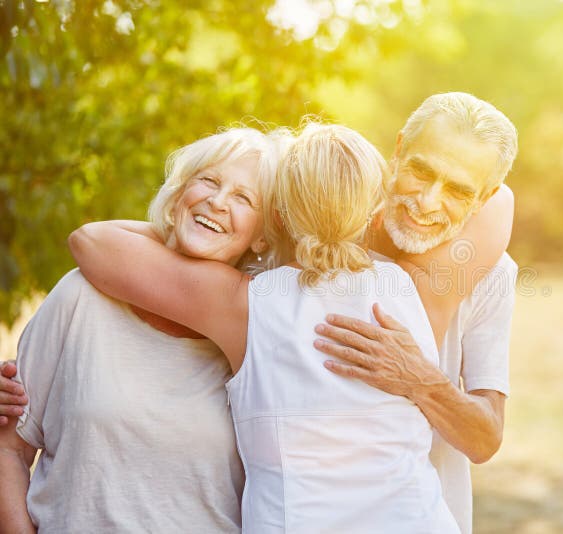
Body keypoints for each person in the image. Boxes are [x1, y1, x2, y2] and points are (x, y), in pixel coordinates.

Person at [64, 121, 510, 532]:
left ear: (276, 217)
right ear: (374, 212)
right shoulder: (414, 288)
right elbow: (501, 199)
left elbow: (93, 242)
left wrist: (183, 220)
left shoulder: (243, 304)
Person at [0, 126, 293, 533]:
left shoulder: (258, 334)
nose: (218, 201)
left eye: (244, 198)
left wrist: (395, 376)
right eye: (208, 180)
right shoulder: (80, 295)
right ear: (179, 193)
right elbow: (9, 450)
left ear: (261, 238)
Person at [311, 92, 519, 534]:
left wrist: (420, 380)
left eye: (458, 191)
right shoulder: (326, 231)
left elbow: (485, 439)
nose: (427, 201)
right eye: (421, 172)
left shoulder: (494, 273)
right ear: (399, 148)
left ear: (485, 198)